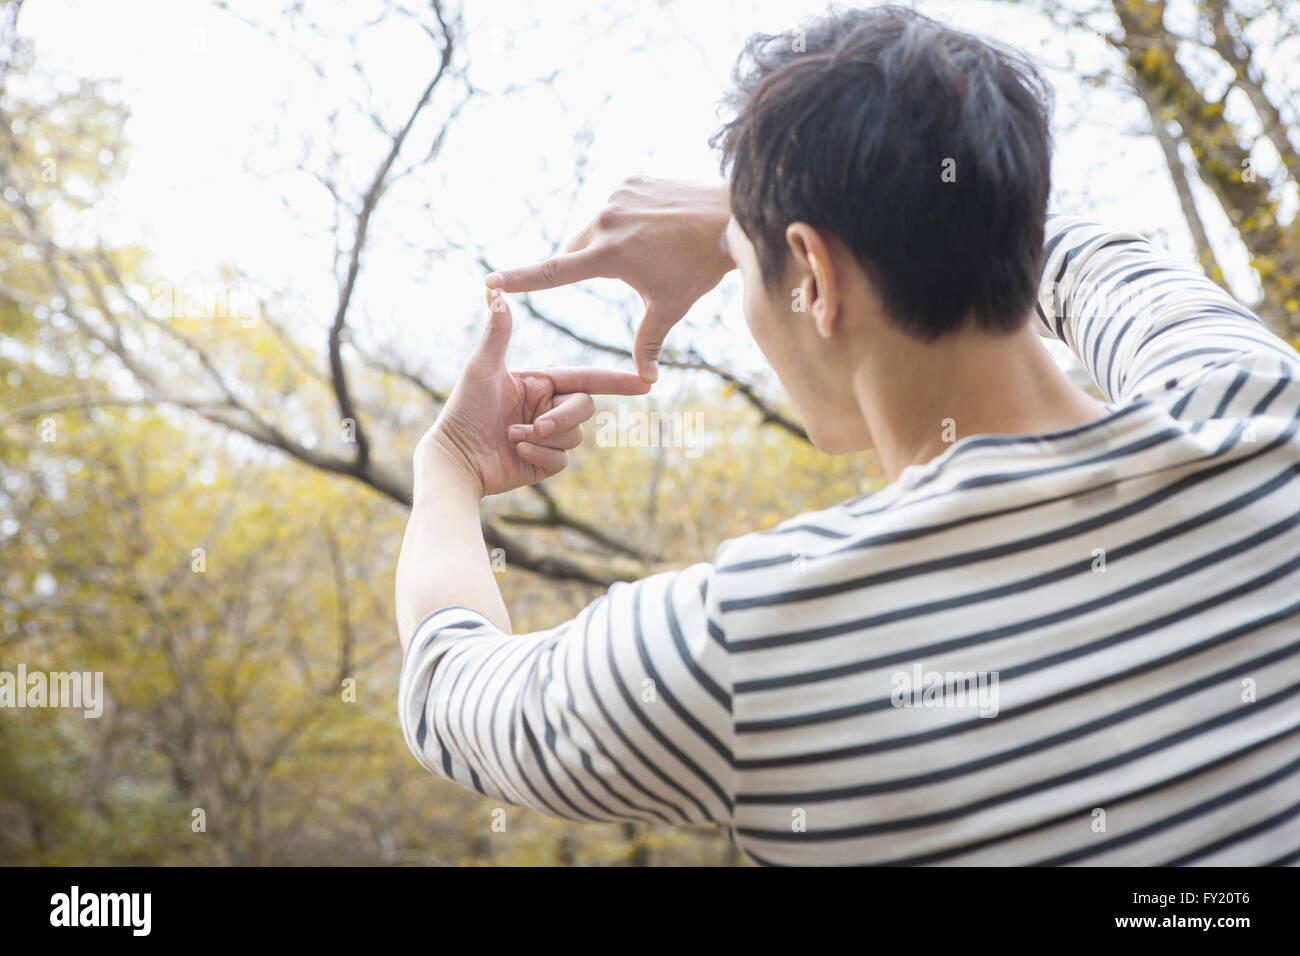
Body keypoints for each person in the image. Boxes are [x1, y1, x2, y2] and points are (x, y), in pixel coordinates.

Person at [394, 5, 1300, 865]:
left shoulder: (749, 645)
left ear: (815, 277)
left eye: (746, 264)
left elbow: (452, 687)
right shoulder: (1256, 411)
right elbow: (1076, 250)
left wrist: (452, 465)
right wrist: (759, 216)